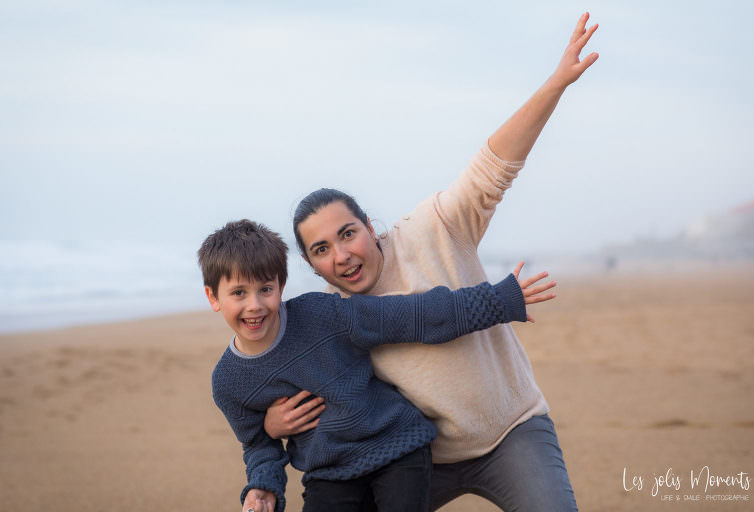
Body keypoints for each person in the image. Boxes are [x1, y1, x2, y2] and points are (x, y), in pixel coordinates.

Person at [262, 12, 599, 511]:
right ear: (313, 268)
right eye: (322, 250)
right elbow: (270, 378)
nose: (342, 255)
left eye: (348, 234)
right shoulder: (331, 317)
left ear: (369, 226)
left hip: (512, 432)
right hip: (415, 457)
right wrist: (270, 427)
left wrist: (556, 83)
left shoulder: (435, 228)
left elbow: (494, 166)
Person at [199, 220, 555, 512]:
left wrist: (498, 300)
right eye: (238, 293)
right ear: (213, 296)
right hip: (328, 471)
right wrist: (262, 488)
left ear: (281, 286)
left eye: (265, 289)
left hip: (396, 444)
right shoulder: (229, 382)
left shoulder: (323, 315)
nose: (255, 305)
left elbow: (415, 316)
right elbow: (258, 446)